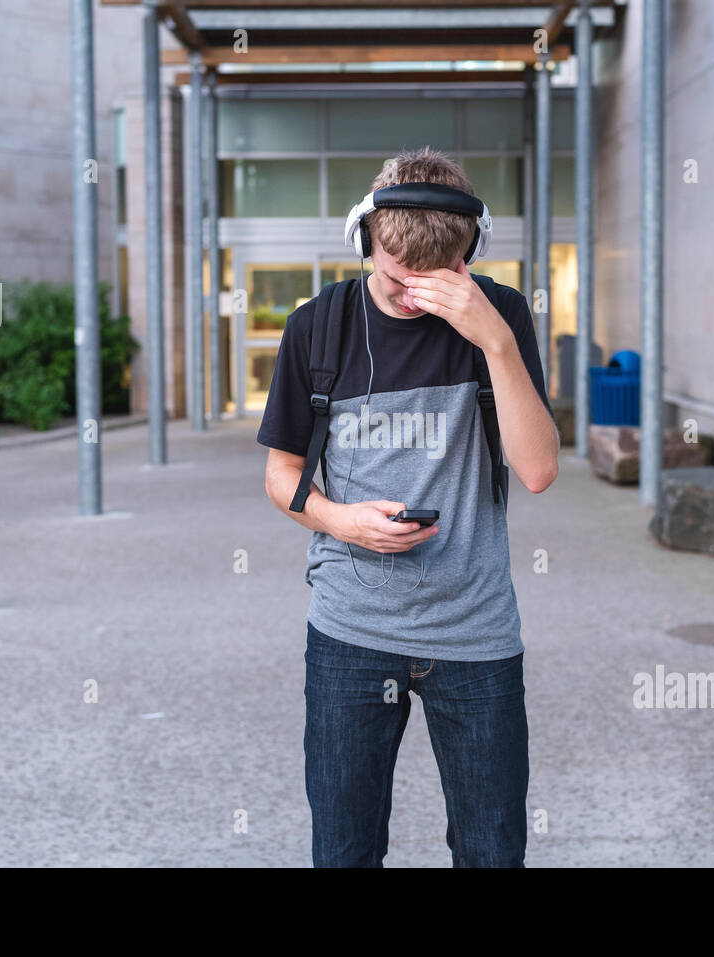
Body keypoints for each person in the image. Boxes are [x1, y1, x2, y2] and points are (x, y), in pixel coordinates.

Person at [257, 147, 560, 867]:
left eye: (433, 278)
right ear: (365, 239)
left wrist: (494, 339)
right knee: (344, 848)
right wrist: (342, 521)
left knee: (491, 850)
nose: (409, 295)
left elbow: (540, 469)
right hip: (350, 633)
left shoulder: (502, 315)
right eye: (395, 274)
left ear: (467, 256)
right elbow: (282, 476)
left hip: (476, 634)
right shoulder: (318, 326)